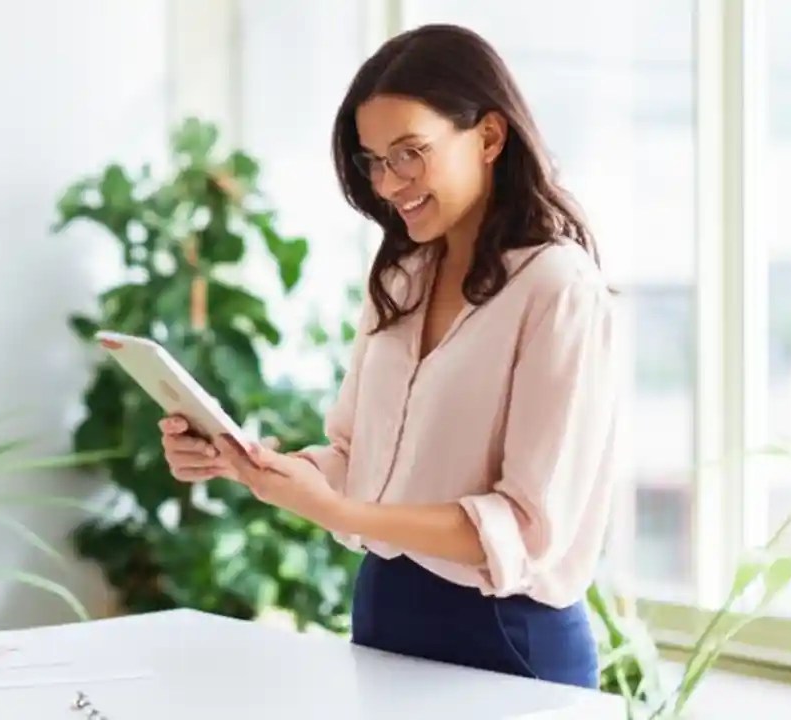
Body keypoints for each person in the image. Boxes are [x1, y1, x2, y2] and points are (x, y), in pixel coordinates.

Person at [158, 23, 619, 689]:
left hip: (508, 637)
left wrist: (340, 514)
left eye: (410, 153)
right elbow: (358, 462)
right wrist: (247, 463)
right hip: (386, 611)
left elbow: (526, 526)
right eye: (374, 160)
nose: (388, 183)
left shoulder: (558, 287)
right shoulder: (403, 277)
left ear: (490, 137)